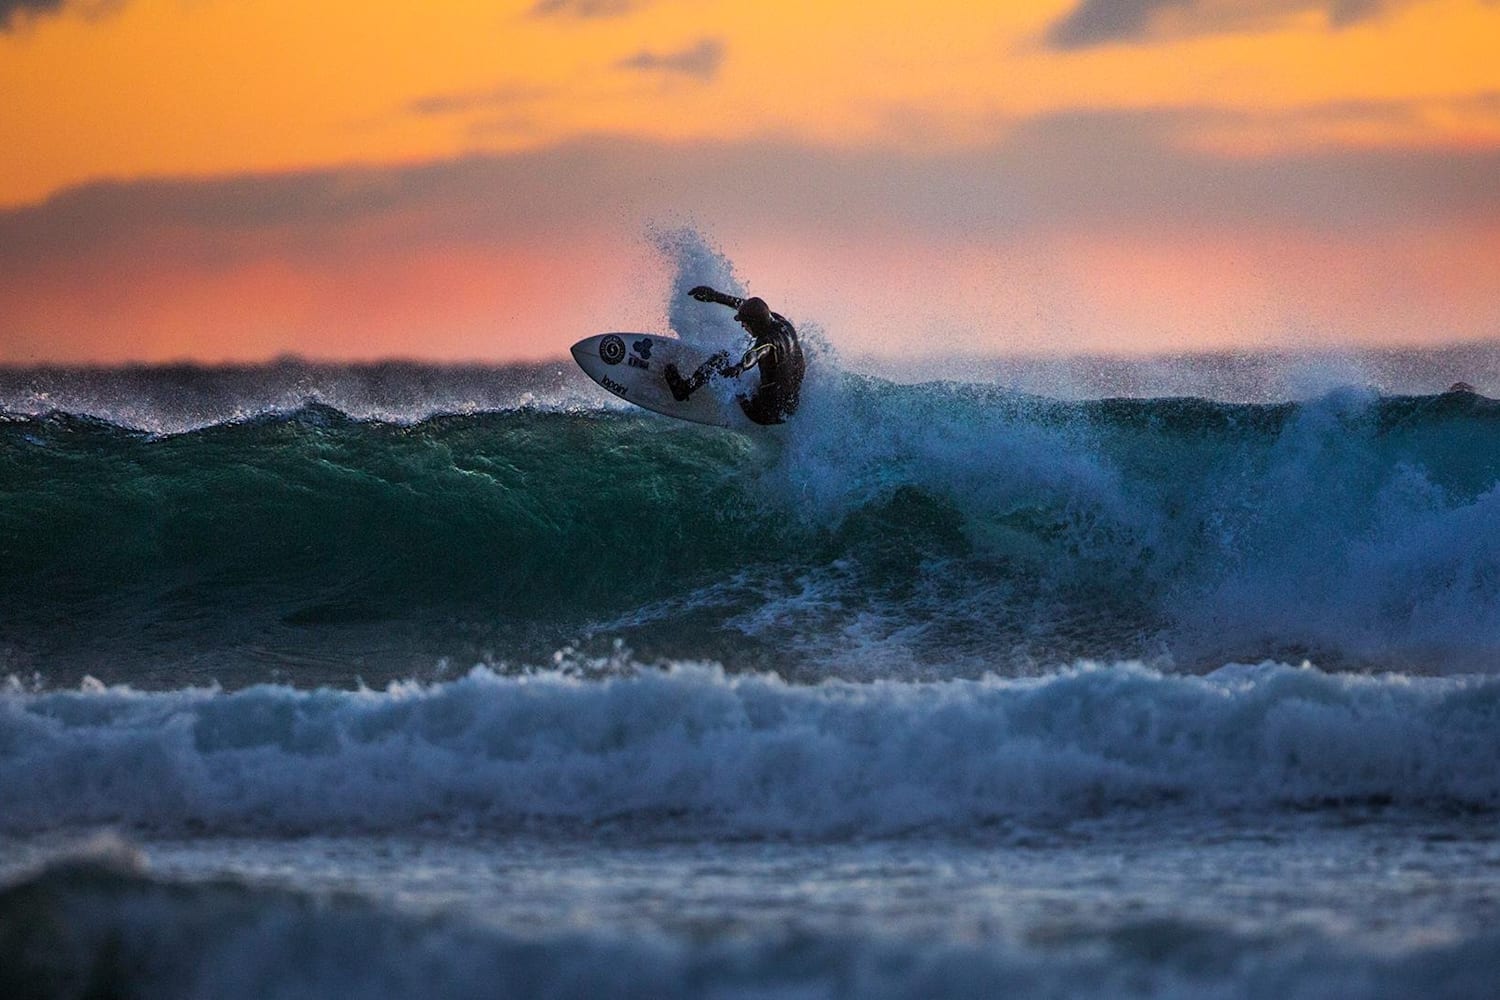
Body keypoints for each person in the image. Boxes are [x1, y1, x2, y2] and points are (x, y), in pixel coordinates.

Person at [664, 286, 806, 425]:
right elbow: (745, 306)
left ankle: (683, 390)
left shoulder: (768, 341)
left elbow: (756, 353)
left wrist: (740, 367)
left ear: (755, 323)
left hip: (761, 413)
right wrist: (715, 296)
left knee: (722, 359)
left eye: (745, 323)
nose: (743, 326)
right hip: (788, 409)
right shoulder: (781, 323)